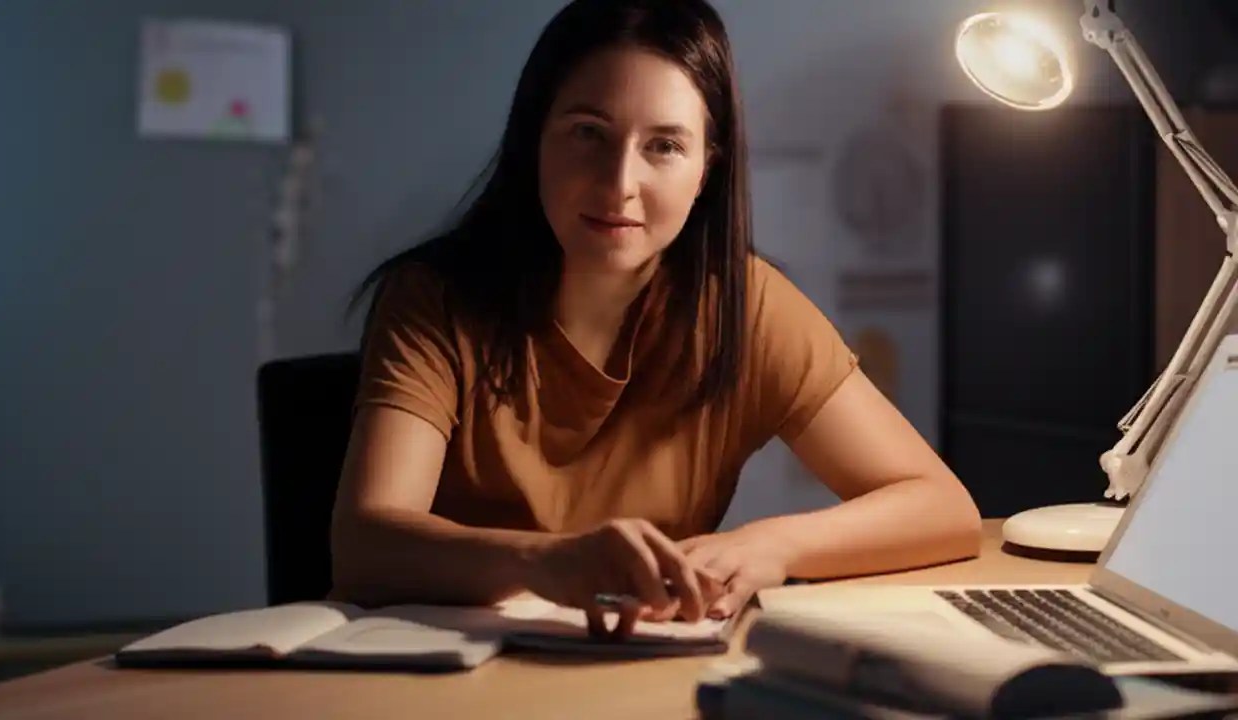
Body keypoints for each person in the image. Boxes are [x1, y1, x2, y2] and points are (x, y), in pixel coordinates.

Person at [329, 0, 981, 639]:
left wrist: (770, 545)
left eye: (664, 146)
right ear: (534, 141)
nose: (620, 182)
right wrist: (545, 562)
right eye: (588, 133)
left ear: (705, 170)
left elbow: (941, 507)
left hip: (632, 677)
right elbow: (366, 544)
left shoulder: (744, 306)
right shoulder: (434, 299)